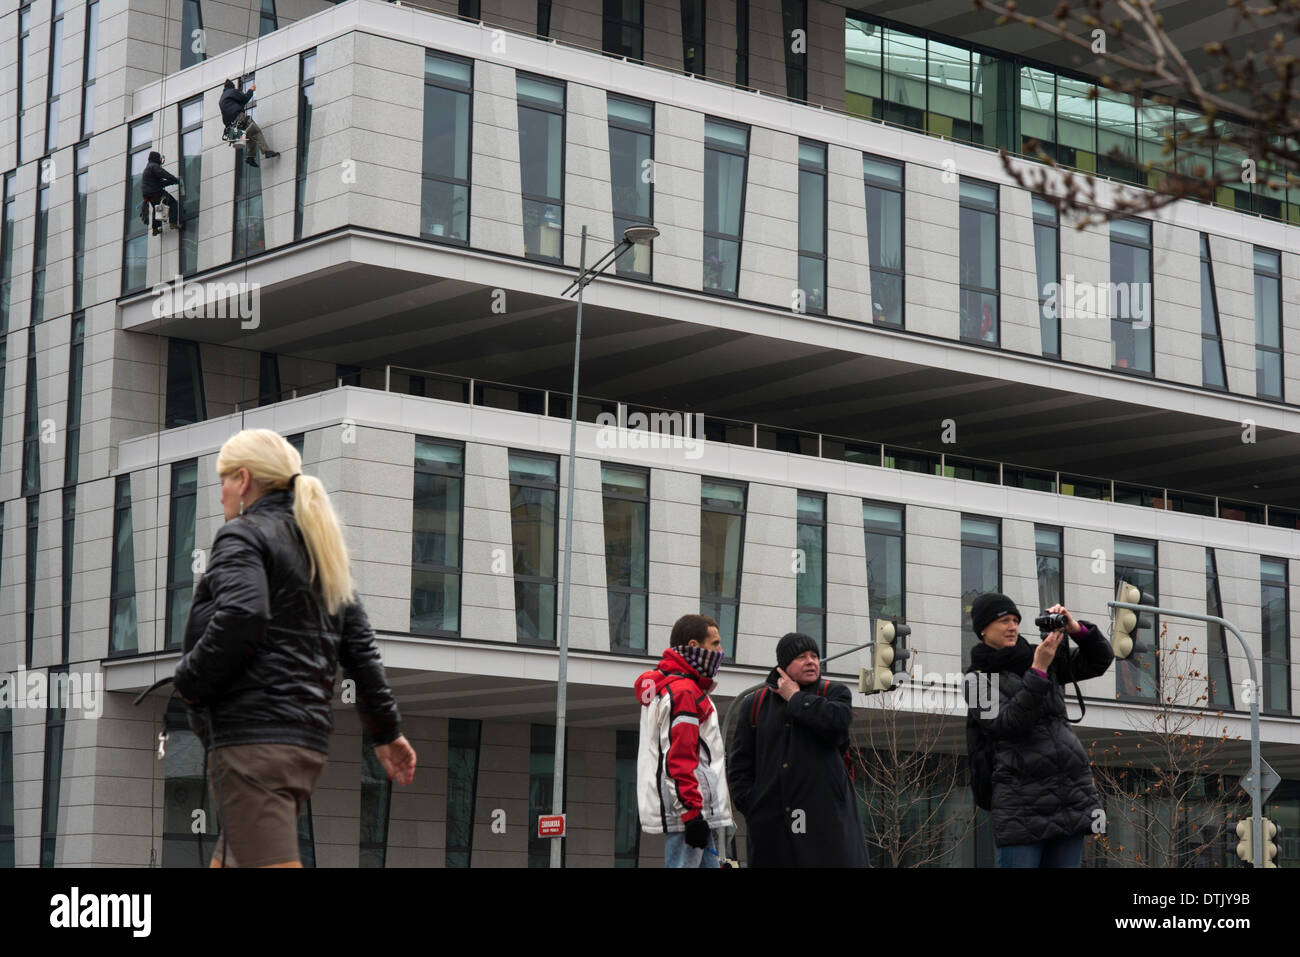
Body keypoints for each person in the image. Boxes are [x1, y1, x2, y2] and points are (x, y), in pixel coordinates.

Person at [173, 428, 416, 868]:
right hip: (301, 743)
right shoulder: (320, 547)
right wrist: (385, 731)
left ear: (243, 479)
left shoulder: (242, 536)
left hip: (253, 743)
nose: (221, 494)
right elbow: (360, 648)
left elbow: (245, 614)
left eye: (223, 481)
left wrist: (189, 680)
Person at [964, 593, 1113, 868]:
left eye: (1015, 620)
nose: (1012, 627)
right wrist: (1039, 670)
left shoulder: (1039, 654)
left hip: (1069, 791)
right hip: (1021, 801)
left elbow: (1098, 661)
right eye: (1003, 621)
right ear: (983, 629)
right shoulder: (975, 681)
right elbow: (1007, 724)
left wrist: (1076, 629)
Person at [728, 633, 869, 867]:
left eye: (814, 656)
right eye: (801, 657)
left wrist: (795, 697)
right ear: (783, 665)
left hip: (825, 829)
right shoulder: (753, 704)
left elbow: (837, 722)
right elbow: (740, 765)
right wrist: (754, 805)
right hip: (772, 832)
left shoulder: (834, 693)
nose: (811, 661)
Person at [634, 614, 733, 868]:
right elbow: (679, 759)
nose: (720, 652)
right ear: (694, 646)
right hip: (689, 812)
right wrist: (692, 813)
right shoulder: (685, 692)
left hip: (692, 810)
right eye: (715, 644)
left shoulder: (668, 687)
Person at [220, 78, 279, 166]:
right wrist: (251, 90)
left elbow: (237, 103)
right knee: (255, 131)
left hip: (231, 127)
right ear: (232, 86)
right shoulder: (232, 92)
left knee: (250, 135)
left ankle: (250, 157)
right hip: (239, 118)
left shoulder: (222, 98)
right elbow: (244, 99)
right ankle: (266, 151)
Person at [141, 151, 181, 230]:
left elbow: (160, 183)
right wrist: (175, 180)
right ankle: (173, 223)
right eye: (159, 158)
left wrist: (171, 182)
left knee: (157, 208)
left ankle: (156, 228)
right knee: (173, 203)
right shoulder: (154, 166)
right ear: (156, 158)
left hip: (149, 195)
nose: (160, 160)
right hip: (155, 192)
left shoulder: (148, 168)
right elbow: (164, 174)